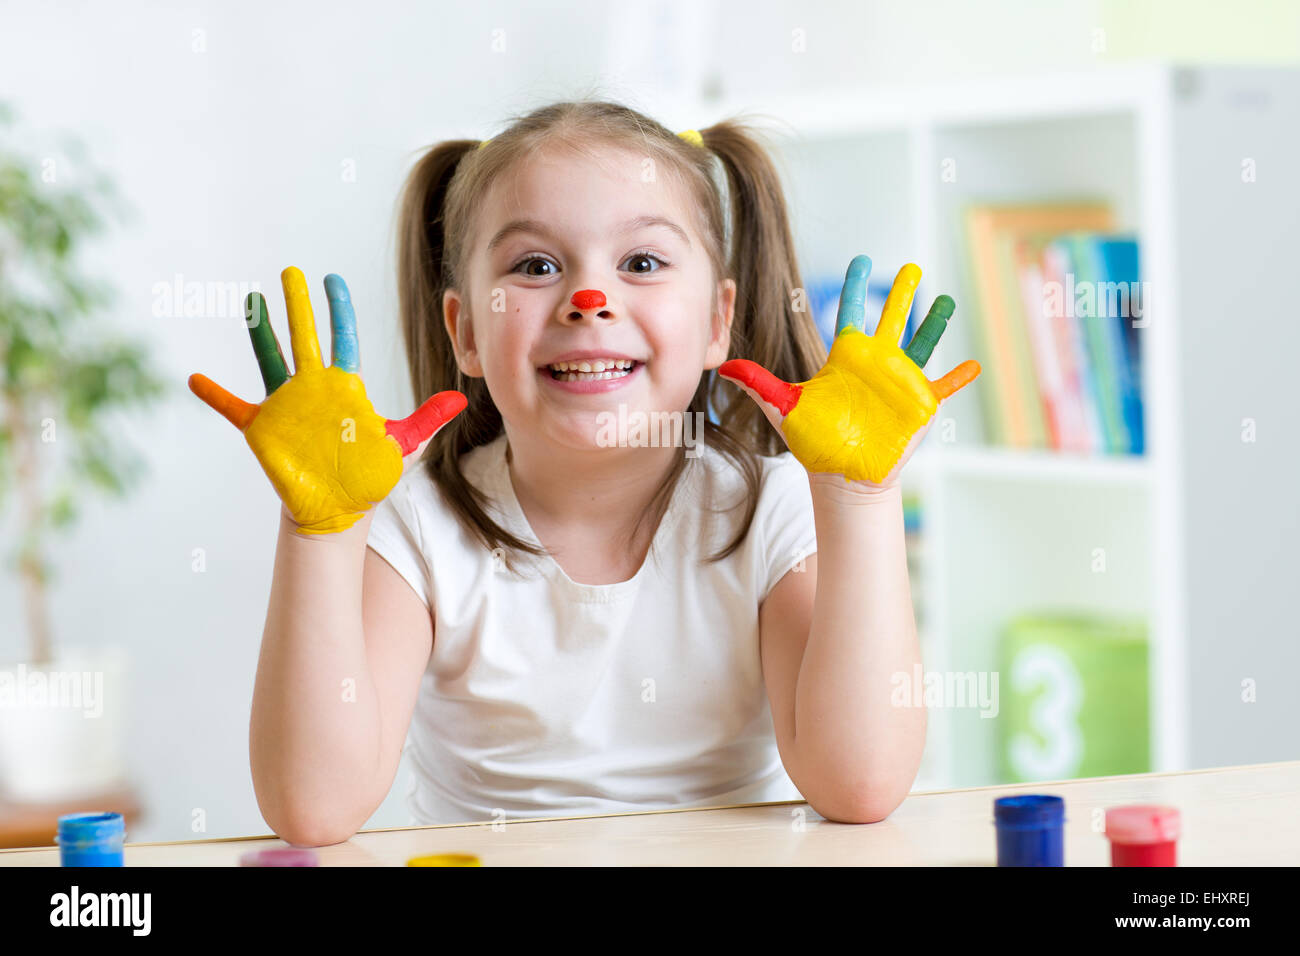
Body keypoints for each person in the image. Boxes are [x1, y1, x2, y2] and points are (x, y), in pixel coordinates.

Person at [189, 100, 978, 845]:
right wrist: (319, 533)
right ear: (465, 333)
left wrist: (859, 497)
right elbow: (313, 808)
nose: (589, 299)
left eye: (641, 260)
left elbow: (861, 785)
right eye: (535, 265)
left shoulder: (768, 508)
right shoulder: (417, 520)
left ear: (716, 319)